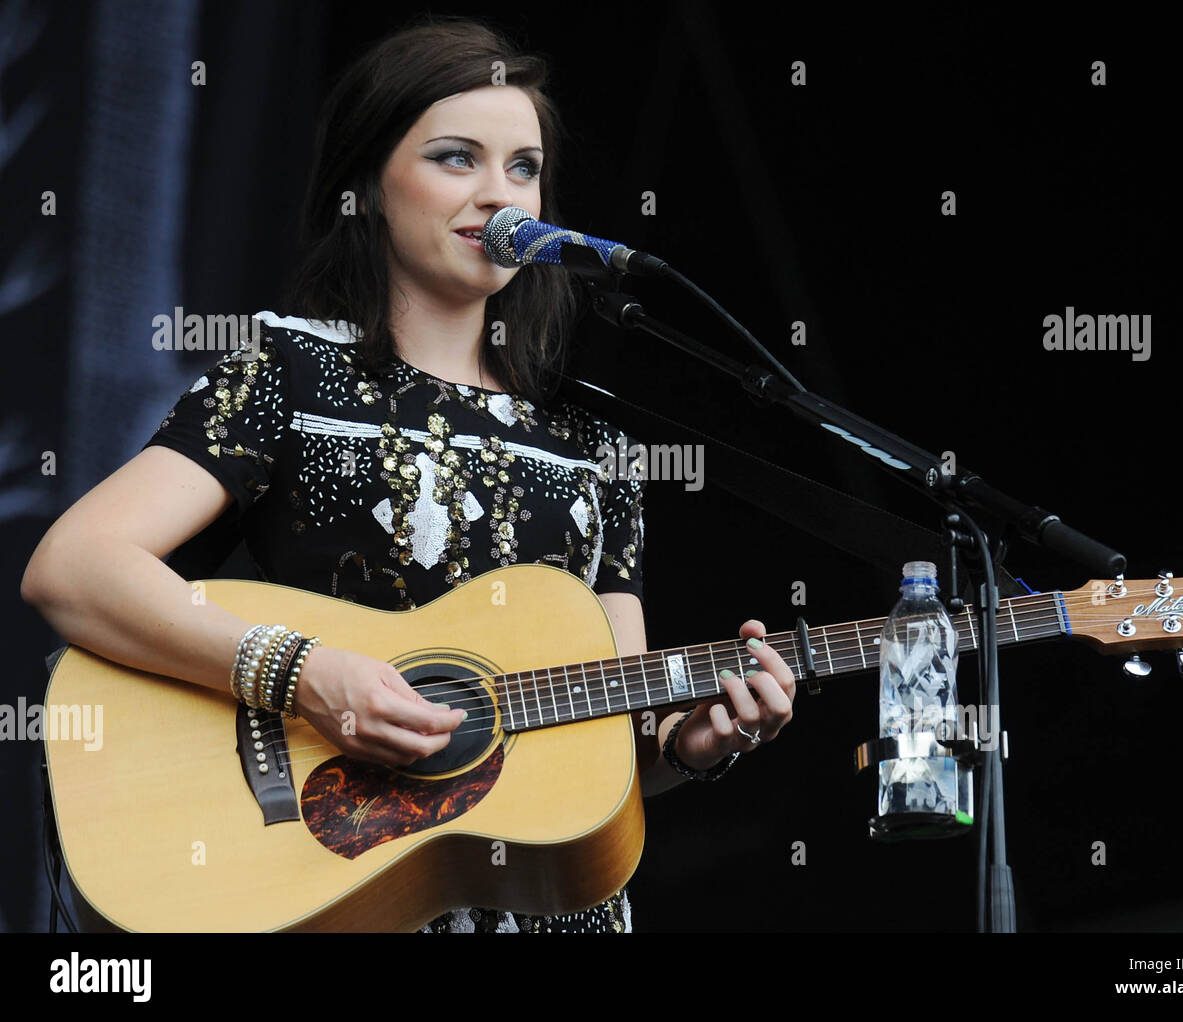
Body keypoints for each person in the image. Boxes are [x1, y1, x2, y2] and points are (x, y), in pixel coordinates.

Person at [20, 15, 796, 933]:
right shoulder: (293, 372)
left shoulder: (595, 446)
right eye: (456, 158)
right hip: (339, 889)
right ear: (369, 186)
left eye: (523, 168)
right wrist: (304, 674)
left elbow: (603, 747)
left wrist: (692, 746)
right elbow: (72, 567)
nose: (499, 198)